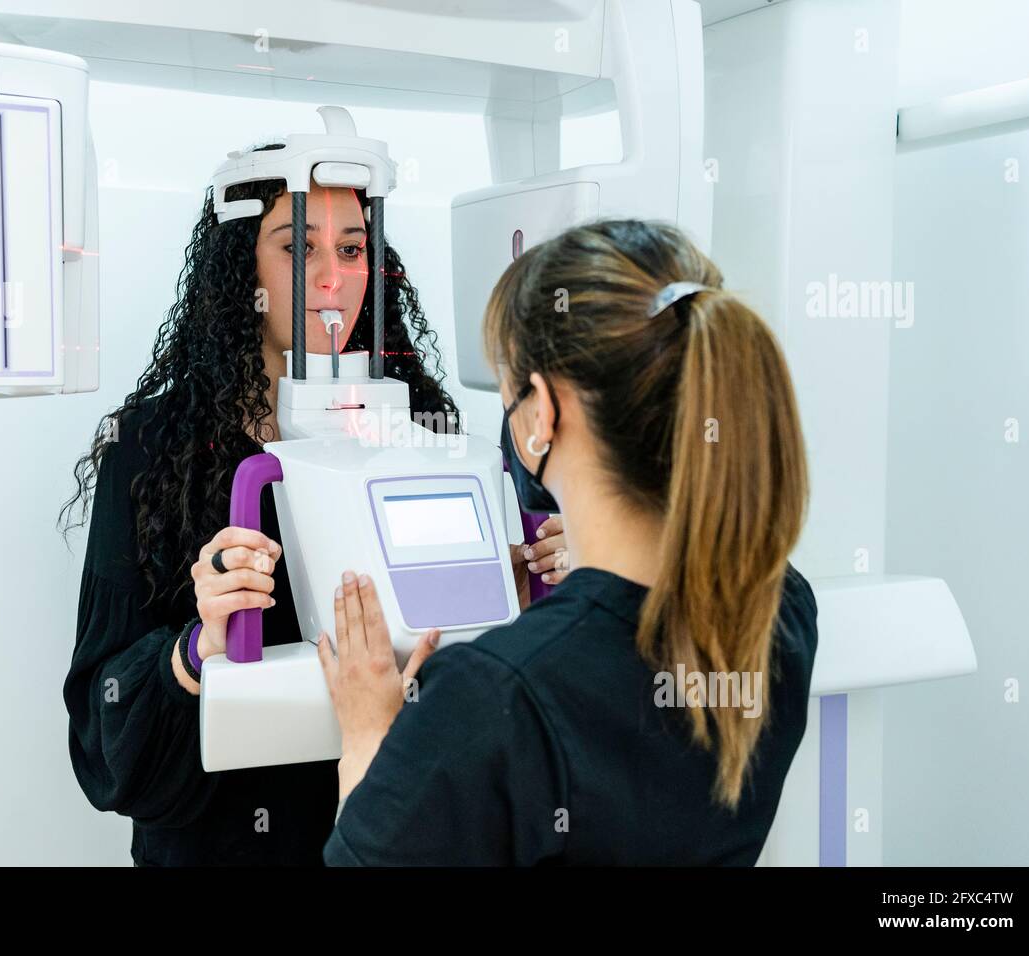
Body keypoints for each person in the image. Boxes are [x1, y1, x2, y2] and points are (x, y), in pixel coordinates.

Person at [56, 148, 552, 865]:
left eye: (352, 249)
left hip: (380, 837)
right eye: (297, 247)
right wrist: (198, 648)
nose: (331, 278)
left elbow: (465, 684)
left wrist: (526, 584)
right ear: (240, 266)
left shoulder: (423, 433)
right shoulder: (152, 450)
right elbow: (102, 746)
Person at [316, 218, 819, 866]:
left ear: (545, 411)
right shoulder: (783, 614)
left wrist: (368, 738)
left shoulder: (489, 694)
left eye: (508, 390)